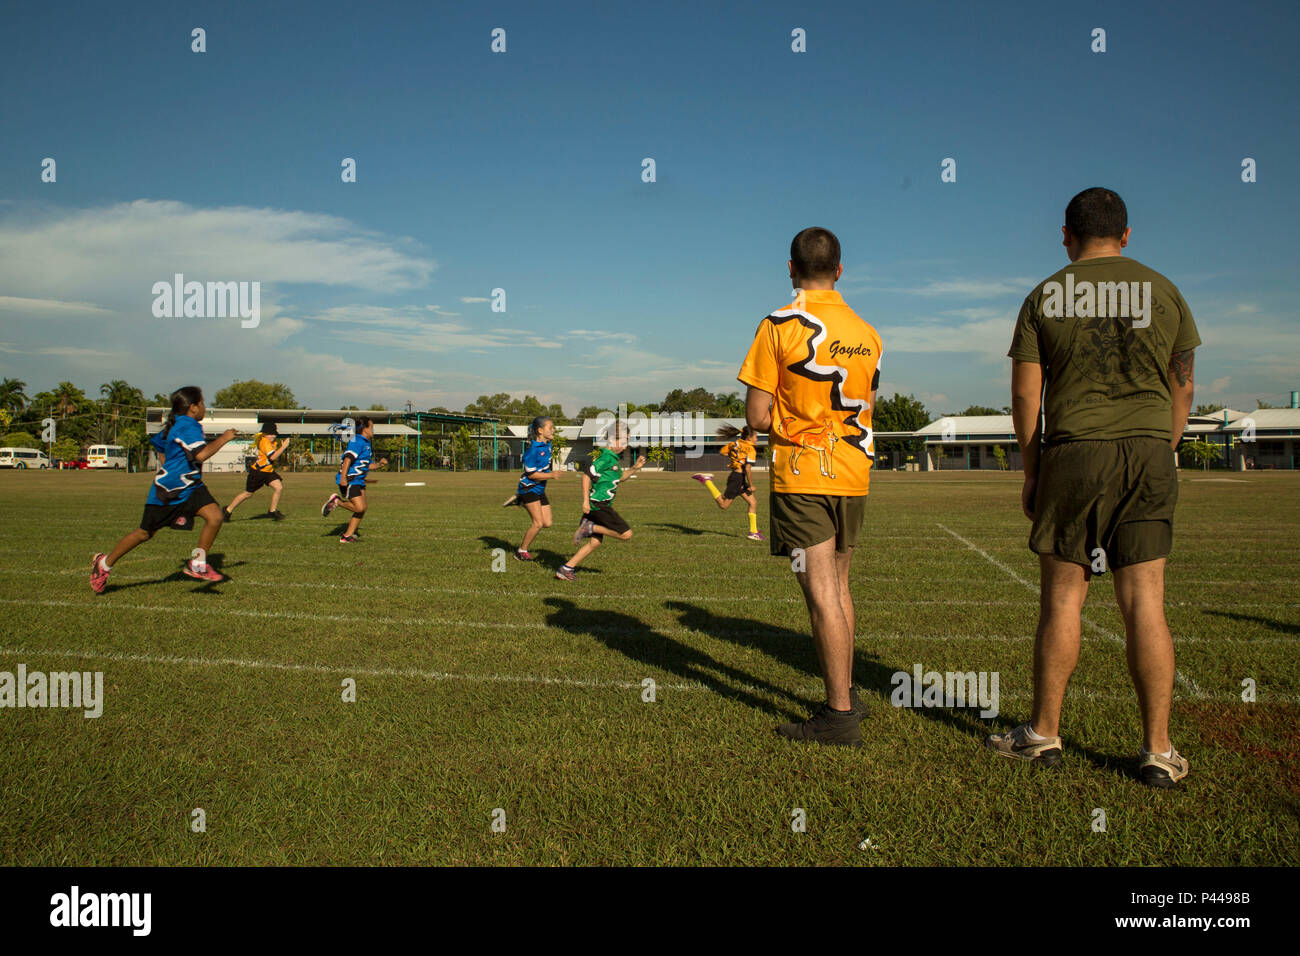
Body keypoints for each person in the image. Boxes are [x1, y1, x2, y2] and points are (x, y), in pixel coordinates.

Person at [987, 187, 1200, 788]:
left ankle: (1044, 734)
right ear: (1126, 235)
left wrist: (1032, 468)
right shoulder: (1165, 291)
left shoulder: (1044, 296)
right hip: (1149, 453)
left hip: (1074, 453)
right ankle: (1157, 751)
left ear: (1065, 234)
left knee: (1061, 599)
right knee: (1145, 604)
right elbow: (1183, 384)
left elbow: (1028, 395)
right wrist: (1167, 442)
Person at [738, 227, 883, 747]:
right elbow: (868, 407)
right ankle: (847, 693)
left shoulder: (778, 324)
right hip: (853, 472)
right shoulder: (868, 333)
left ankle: (839, 716)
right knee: (840, 586)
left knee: (820, 593)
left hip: (803, 474)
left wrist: (795, 419)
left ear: (791, 268)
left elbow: (756, 416)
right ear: (839, 270)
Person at [91, 386, 236, 591]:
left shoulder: (176, 423)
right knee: (144, 534)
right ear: (193, 407)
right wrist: (224, 438)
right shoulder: (188, 425)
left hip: (191, 486)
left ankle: (197, 563)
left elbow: (159, 444)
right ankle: (103, 563)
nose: (205, 407)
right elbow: (201, 455)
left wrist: (168, 464)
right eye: (202, 403)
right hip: (169, 492)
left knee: (215, 517)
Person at [555, 421, 645, 581]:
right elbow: (586, 476)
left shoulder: (613, 460)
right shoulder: (605, 458)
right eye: (623, 442)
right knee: (626, 534)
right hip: (599, 505)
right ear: (611, 440)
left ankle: (566, 568)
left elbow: (620, 478)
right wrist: (585, 501)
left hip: (600, 505)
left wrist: (633, 468)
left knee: (595, 543)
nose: (625, 446)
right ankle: (589, 527)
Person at [503, 416, 564, 560]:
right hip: (528, 488)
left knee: (547, 523)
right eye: (550, 428)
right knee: (538, 523)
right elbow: (531, 474)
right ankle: (521, 552)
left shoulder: (548, 445)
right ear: (540, 431)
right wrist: (551, 475)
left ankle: (519, 501)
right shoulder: (532, 451)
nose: (553, 430)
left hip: (539, 490)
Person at [320, 417, 388, 543]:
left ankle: (347, 536)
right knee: (359, 508)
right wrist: (344, 479)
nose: (373, 430)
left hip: (358, 481)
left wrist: (379, 464)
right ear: (365, 429)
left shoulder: (366, 443)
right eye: (371, 427)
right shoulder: (357, 441)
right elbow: (347, 460)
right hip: (350, 480)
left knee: (362, 508)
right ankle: (337, 502)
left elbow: (365, 465)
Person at [691, 424, 764, 540]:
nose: (757, 439)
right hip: (737, 479)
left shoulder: (734, 444)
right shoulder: (751, 449)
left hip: (737, 477)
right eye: (756, 436)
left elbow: (722, 452)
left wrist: (734, 456)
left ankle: (753, 532)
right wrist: (751, 485)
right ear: (749, 437)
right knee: (724, 505)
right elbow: (748, 469)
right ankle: (707, 481)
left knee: (753, 503)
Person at [223, 421, 291, 521]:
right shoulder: (264, 442)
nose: (273, 436)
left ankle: (272, 511)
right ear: (264, 434)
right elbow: (272, 457)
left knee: (278, 487)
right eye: (270, 434)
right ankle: (228, 510)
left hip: (268, 471)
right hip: (258, 472)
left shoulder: (272, 442)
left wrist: (280, 448)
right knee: (248, 494)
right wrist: (284, 447)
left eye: (274, 434)